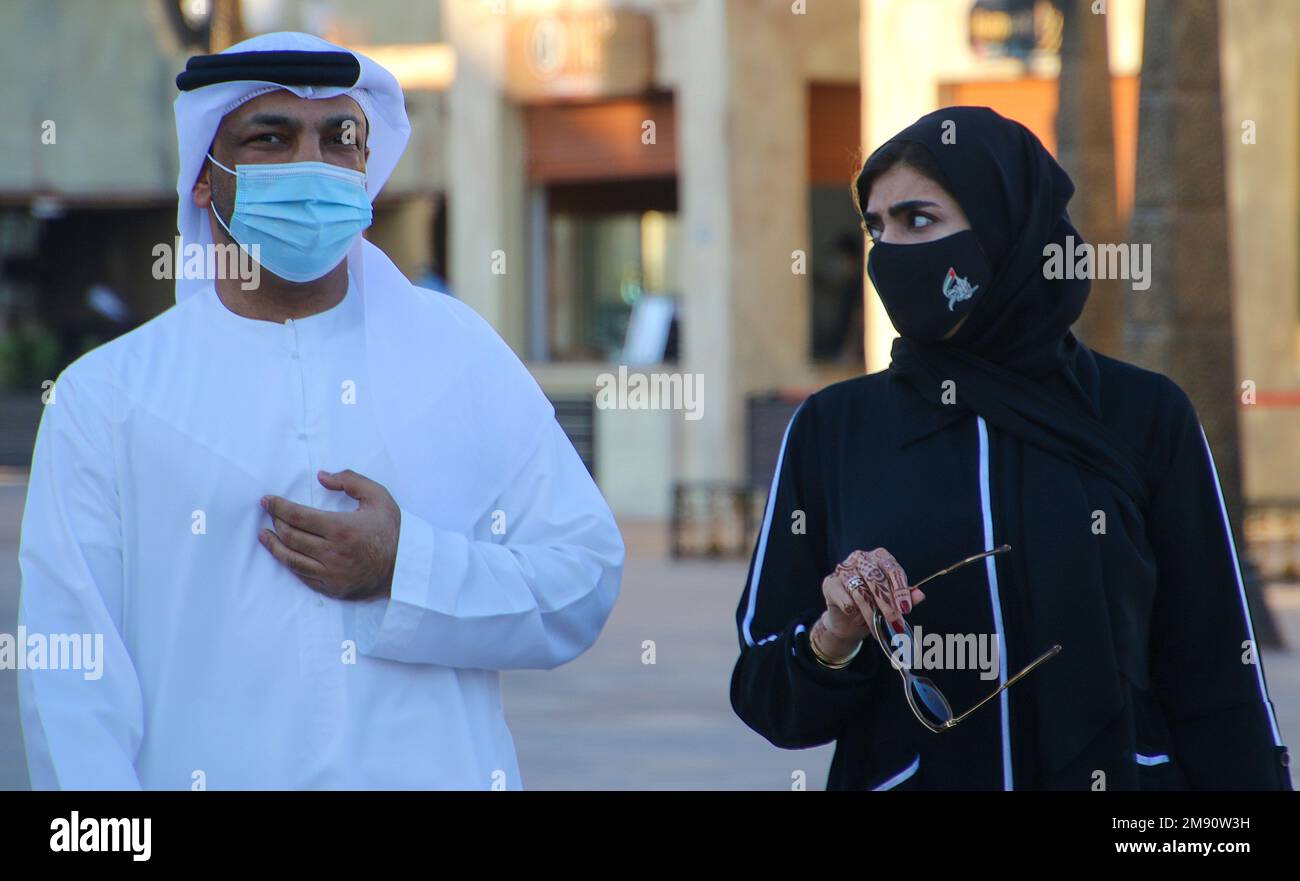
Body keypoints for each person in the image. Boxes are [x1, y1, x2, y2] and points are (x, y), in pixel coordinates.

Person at [18, 32, 624, 790]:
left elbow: (583, 575)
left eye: (340, 137)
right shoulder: (105, 397)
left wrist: (407, 567)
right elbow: (72, 683)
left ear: (366, 170)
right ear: (206, 178)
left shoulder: (459, 355)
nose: (313, 161)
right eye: (271, 137)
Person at [730, 106, 1291, 791]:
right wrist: (833, 634)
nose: (890, 251)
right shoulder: (834, 428)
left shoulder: (1142, 414)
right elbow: (766, 694)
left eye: (918, 220)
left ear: (1008, 230)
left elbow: (1215, 675)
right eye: (877, 228)